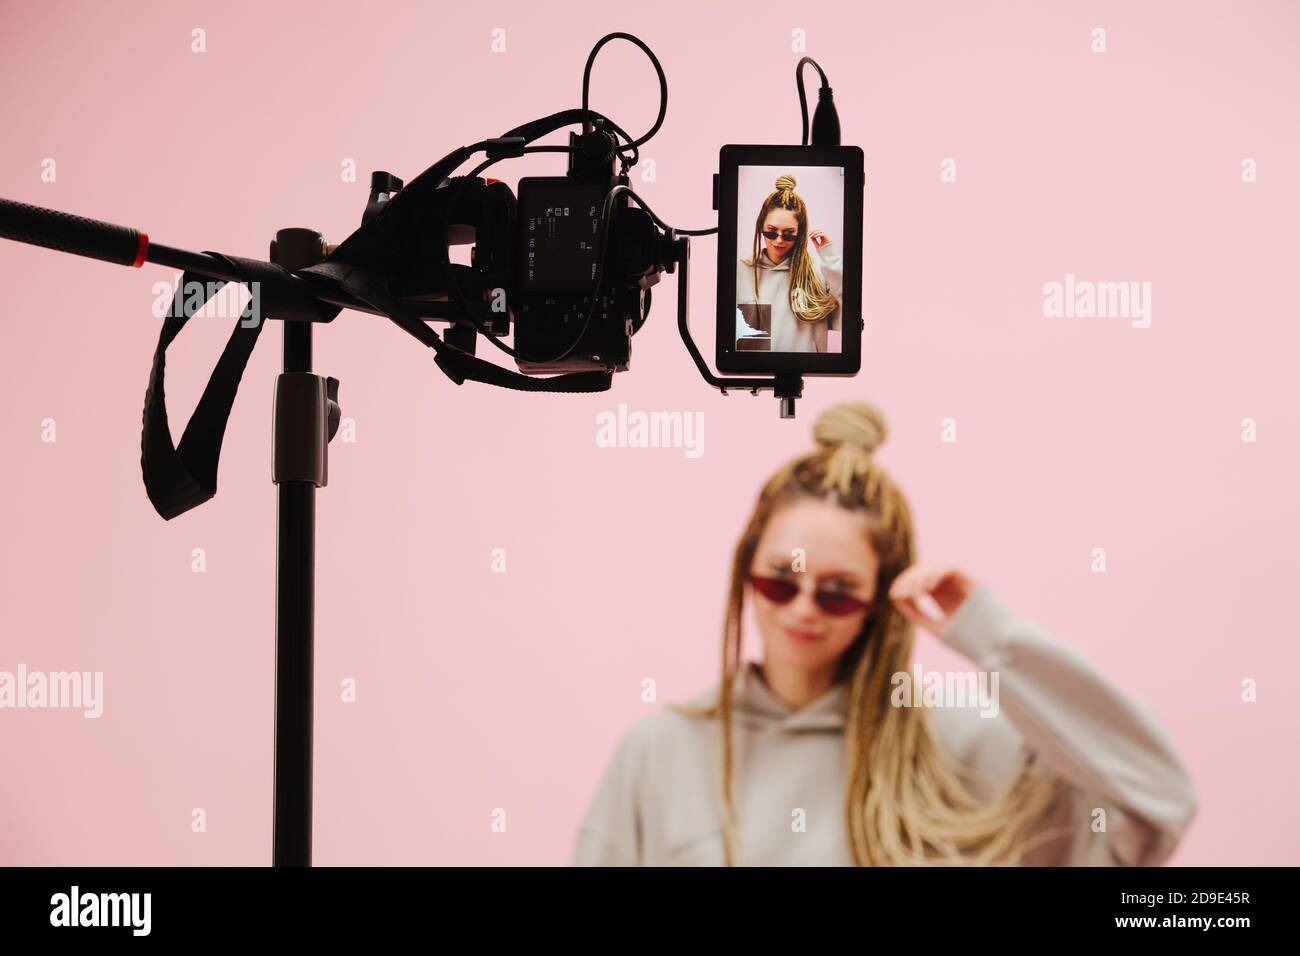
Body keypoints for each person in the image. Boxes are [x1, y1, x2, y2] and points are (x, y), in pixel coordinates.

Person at [570, 401, 1197, 866]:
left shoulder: (957, 753)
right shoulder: (659, 753)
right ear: (746, 574)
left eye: (839, 591)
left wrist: (989, 633)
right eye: (780, 583)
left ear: (877, 600)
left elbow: (1159, 798)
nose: (803, 610)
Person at [736, 173, 843, 353]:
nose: (779, 240)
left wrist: (829, 256)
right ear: (760, 227)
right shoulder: (742, 271)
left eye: (788, 233)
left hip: (806, 372)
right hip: (757, 376)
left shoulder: (818, 272)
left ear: (800, 233)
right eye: (771, 232)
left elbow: (849, 309)